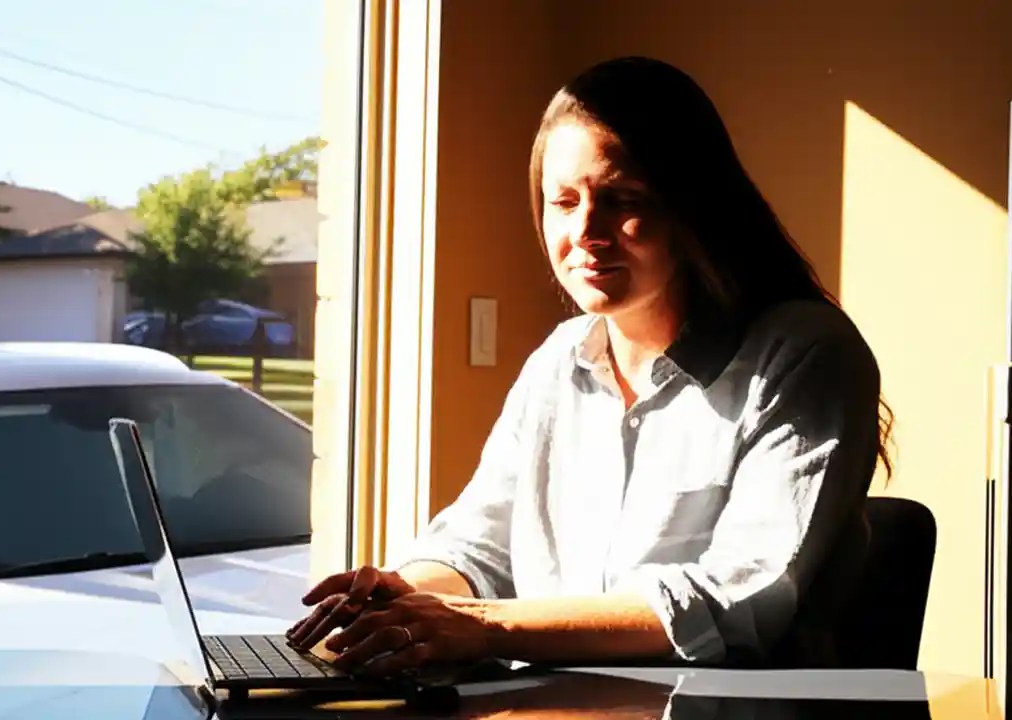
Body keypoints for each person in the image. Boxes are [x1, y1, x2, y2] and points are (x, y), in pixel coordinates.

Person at [287, 56, 890, 676]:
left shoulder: (803, 354)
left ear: (693, 207)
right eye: (564, 201)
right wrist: (403, 600)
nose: (586, 232)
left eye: (623, 199)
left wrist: (480, 625)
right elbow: (479, 546)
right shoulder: (558, 361)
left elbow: (736, 601)